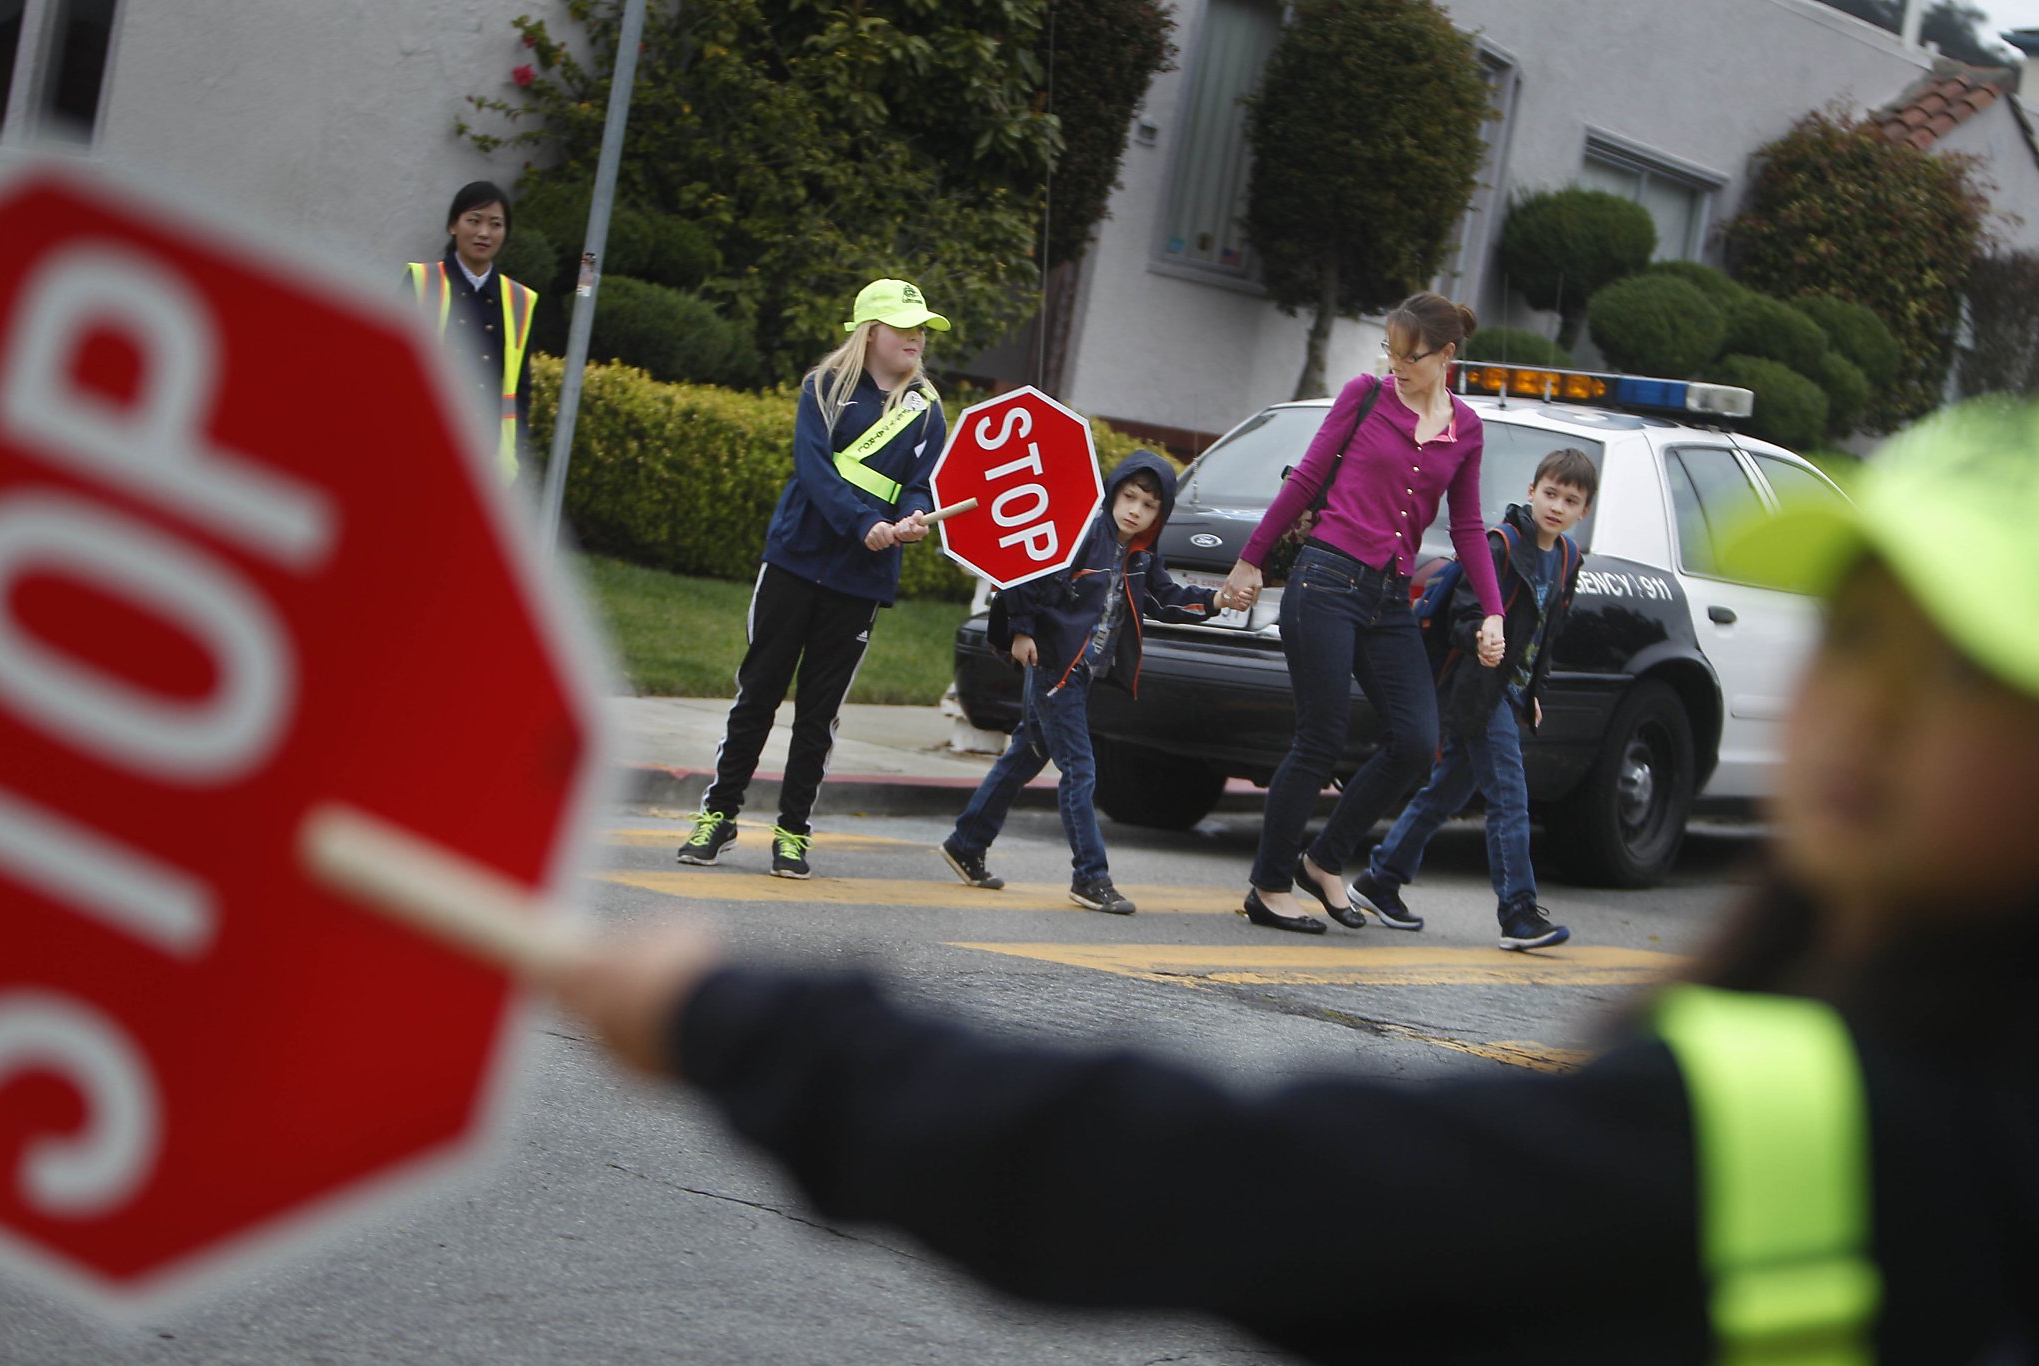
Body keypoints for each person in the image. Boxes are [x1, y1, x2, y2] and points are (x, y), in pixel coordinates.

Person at [552, 398, 2039, 1362]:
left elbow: (1255, 1192)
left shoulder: (1870, 1114)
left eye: (1964, 673)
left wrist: (755, 1032)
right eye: (1858, 636)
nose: (1878, 710)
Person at [1222, 292, 1506, 935]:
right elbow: (1305, 480)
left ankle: (1322, 859)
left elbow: (1465, 525)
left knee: (1416, 741)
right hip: (1324, 578)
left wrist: (1493, 609)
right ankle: (1268, 885)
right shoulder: (1365, 395)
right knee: (1319, 737)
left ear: (1447, 356)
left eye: (1412, 355)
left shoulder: (1467, 429)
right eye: (1391, 350)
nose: (1397, 364)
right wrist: (1251, 561)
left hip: (1389, 595)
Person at [678, 279, 947, 880]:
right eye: (904, 326)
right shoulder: (823, 388)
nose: (916, 337)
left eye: (921, 327)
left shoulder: (928, 407)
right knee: (760, 692)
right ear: (870, 331)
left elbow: (925, 482)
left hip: (862, 579)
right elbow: (814, 469)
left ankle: (792, 831)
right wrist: (862, 524)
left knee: (819, 712)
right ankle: (718, 815)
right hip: (796, 559)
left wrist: (911, 518)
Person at [938, 453, 1237, 914]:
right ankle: (1090, 875)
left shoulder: (1139, 555)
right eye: (1129, 496)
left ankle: (966, 841)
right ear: (1113, 492)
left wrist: (1217, 599)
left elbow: (1167, 599)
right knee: (1080, 770)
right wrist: (1021, 630)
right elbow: (1028, 569)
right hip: (1056, 665)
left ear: (1160, 515)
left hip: (1083, 670)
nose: (1135, 509)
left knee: (1026, 753)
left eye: (1149, 505)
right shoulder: (1080, 533)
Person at [1351, 448, 1596, 950]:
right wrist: (1479, 637)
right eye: (1550, 493)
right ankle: (1518, 912)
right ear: (1531, 491)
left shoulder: (1568, 558)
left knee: (1446, 792)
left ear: (1583, 511)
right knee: (1509, 796)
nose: (1556, 506)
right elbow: (1458, 618)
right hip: (1478, 688)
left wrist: (1535, 692)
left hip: (1511, 690)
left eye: (1570, 500)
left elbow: (1547, 632)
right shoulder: (1501, 546)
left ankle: (1381, 879)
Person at [406, 181, 539, 483]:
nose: (484, 233)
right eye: (474, 220)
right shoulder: (422, 281)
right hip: (420, 451)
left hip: (487, 463)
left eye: (495, 224)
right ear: (453, 225)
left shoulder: (520, 300)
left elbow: (520, 389)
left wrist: (520, 452)